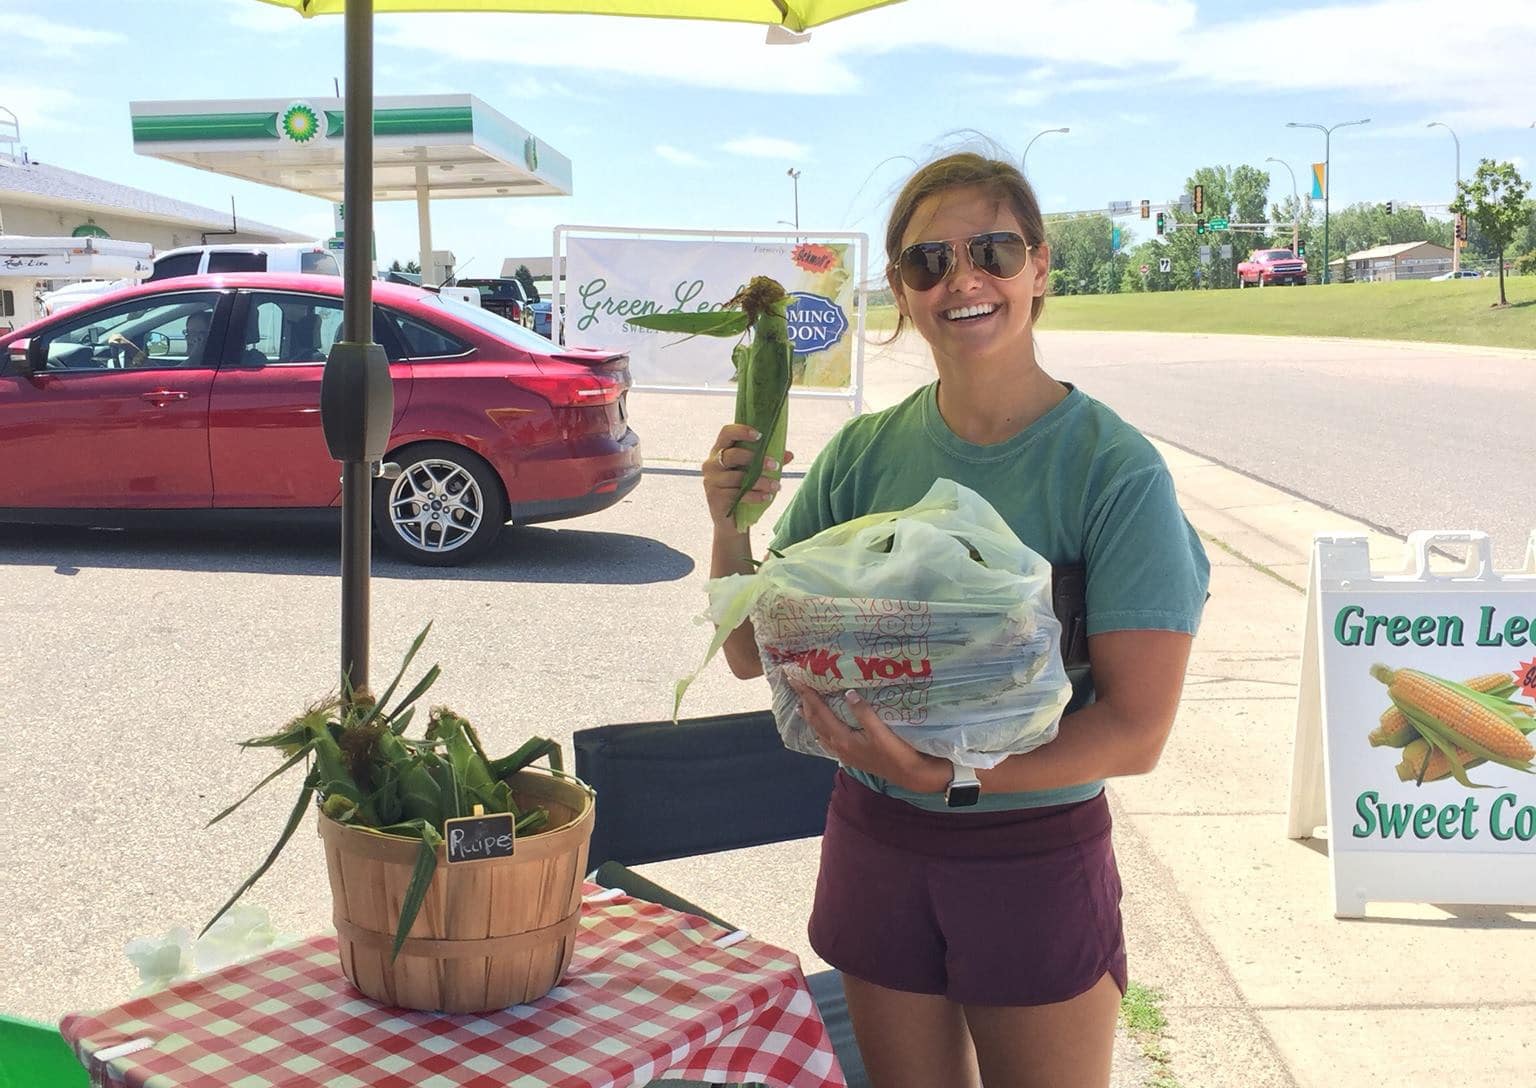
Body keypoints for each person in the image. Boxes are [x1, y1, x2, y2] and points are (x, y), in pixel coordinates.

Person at [700, 150, 1209, 1088]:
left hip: (1031, 851)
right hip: (876, 838)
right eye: (930, 263)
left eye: (993, 251)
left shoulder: (1112, 471)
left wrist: (956, 777)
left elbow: (1136, 731)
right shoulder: (861, 455)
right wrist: (730, 523)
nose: (963, 280)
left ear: (1041, 267)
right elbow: (748, 654)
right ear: (900, 288)